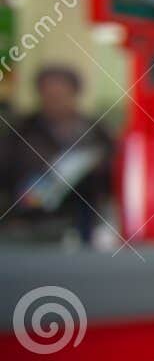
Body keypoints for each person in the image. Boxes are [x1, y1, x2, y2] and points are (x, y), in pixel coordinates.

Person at [0, 64, 115, 241]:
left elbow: (112, 175)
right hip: (30, 226)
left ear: (75, 93)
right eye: (49, 95)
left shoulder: (96, 131)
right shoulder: (21, 130)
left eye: (61, 95)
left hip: (85, 227)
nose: (55, 101)